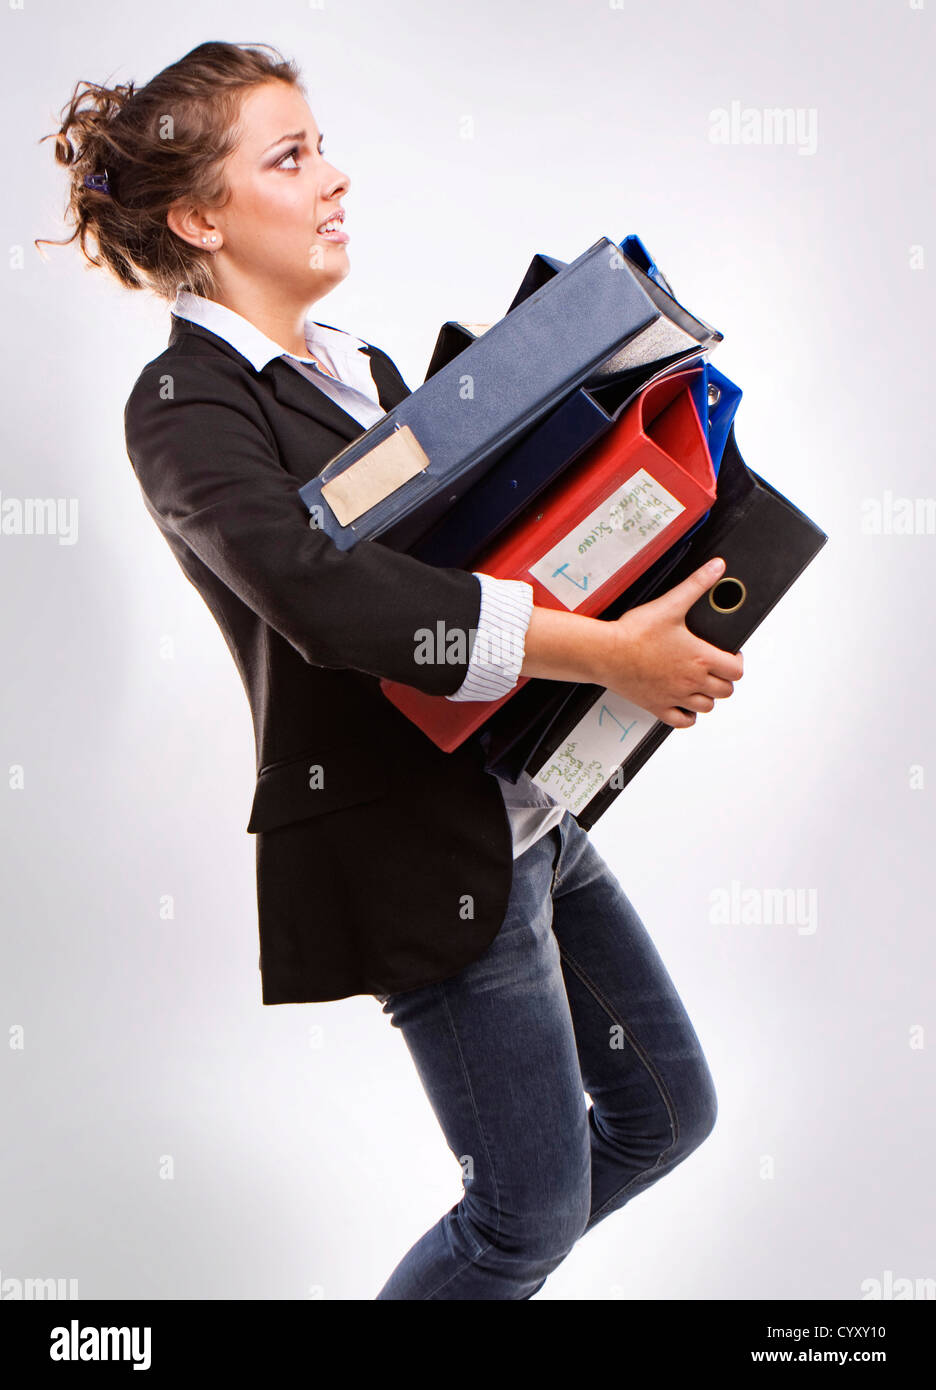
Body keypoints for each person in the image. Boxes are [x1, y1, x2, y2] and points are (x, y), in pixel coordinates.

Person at [38, 40, 744, 1300]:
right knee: (524, 1218)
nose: (336, 179)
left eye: (324, 147)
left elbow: (467, 561)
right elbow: (332, 602)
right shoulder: (184, 404)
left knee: (664, 1115)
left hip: (521, 809)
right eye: (293, 157)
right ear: (203, 214)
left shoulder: (357, 367)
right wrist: (605, 653)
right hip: (410, 845)